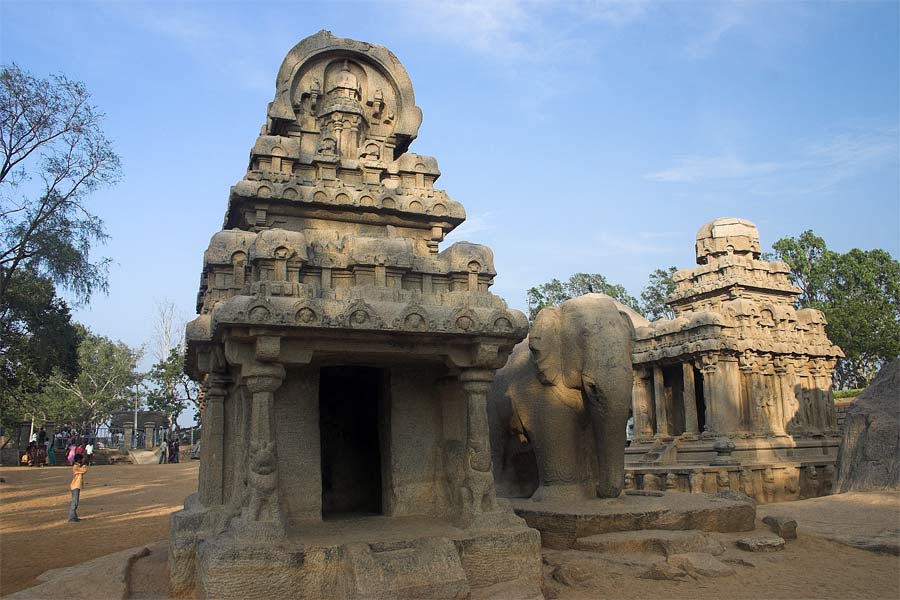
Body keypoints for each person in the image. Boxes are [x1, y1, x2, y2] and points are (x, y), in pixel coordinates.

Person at [69, 454, 87, 522]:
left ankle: (74, 516)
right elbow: (84, 470)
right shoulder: (75, 467)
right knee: (74, 502)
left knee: (76, 502)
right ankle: (71, 518)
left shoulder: (78, 466)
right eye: (82, 459)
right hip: (75, 486)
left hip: (76, 486)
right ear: (79, 459)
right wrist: (84, 464)